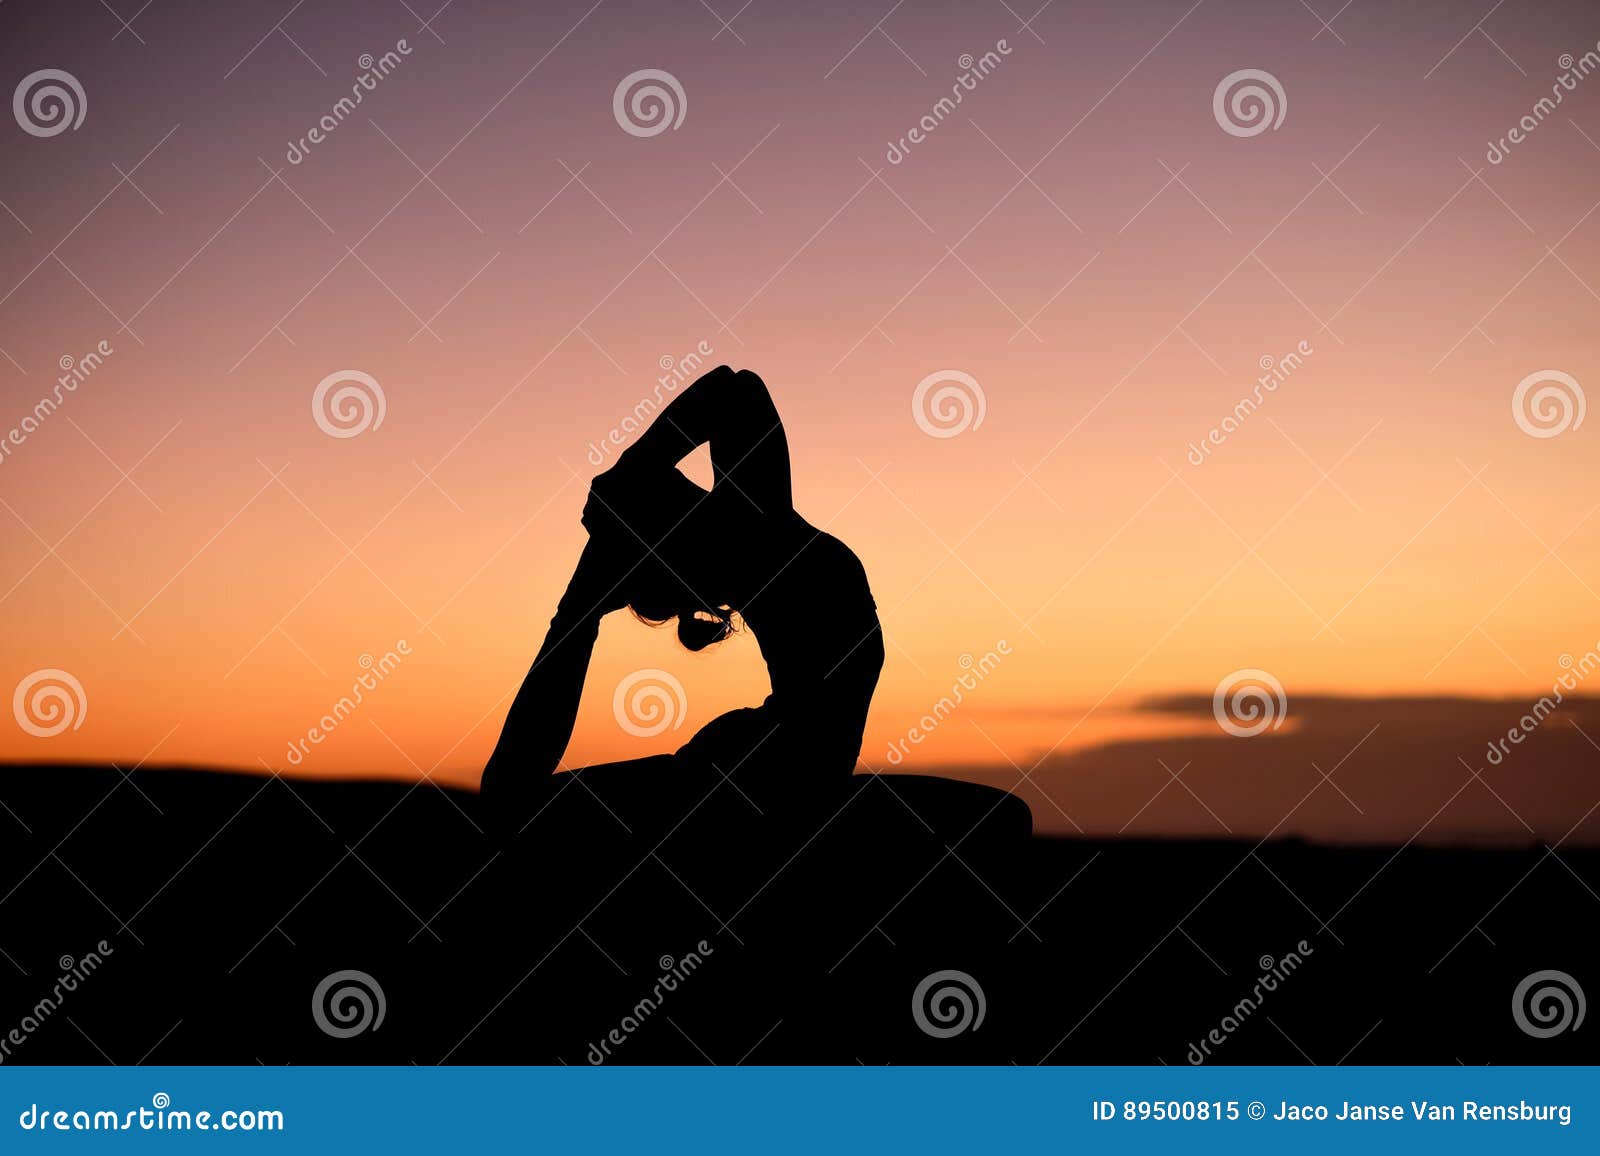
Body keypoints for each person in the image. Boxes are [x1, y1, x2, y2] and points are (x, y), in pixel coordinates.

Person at [481, 366, 883, 830]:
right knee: (510, 802)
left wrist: (631, 467)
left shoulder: (751, 521)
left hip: (759, 775)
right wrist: (577, 611)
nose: (678, 610)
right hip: (746, 765)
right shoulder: (751, 529)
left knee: (511, 804)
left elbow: (735, 387)